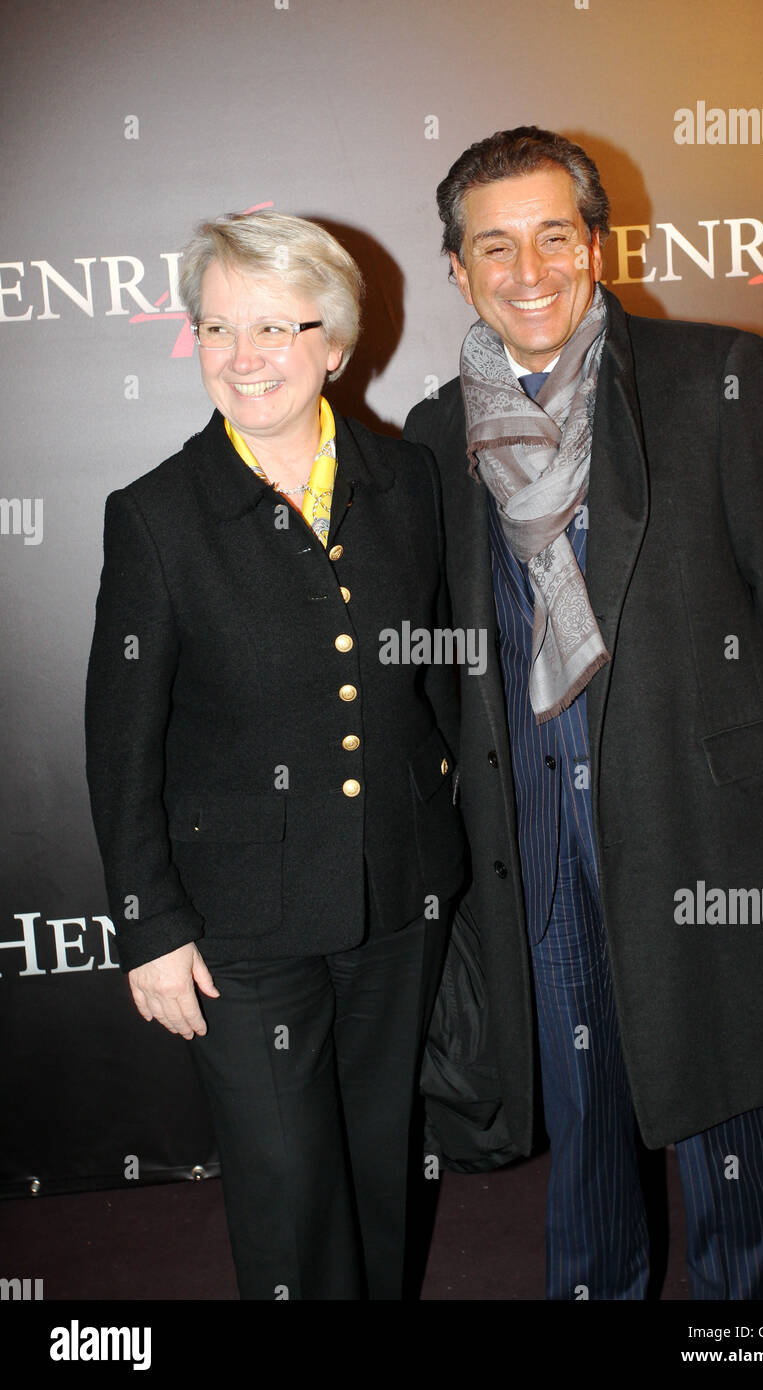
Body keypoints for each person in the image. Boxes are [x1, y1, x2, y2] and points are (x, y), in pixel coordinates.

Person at [405, 126, 763, 1300]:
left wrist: (739, 766)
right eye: (492, 246)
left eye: (553, 235)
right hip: (540, 856)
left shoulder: (713, 373)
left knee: (725, 1127)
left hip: (698, 832)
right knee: (586, 1135)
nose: (528, 270)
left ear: (594, 245)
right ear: (457, 270)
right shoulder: (428, 432)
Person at [85, 210, 465, 1300]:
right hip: (238, 926)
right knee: (286, 1182)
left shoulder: (409, 486)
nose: (242, 357)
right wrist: (149, 927)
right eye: (216, 329)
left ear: (334, 345)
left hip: (395, 897)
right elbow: (120, 741)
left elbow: (432, 680)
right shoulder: (157, 517)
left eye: (274, 327)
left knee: (380, 1165)